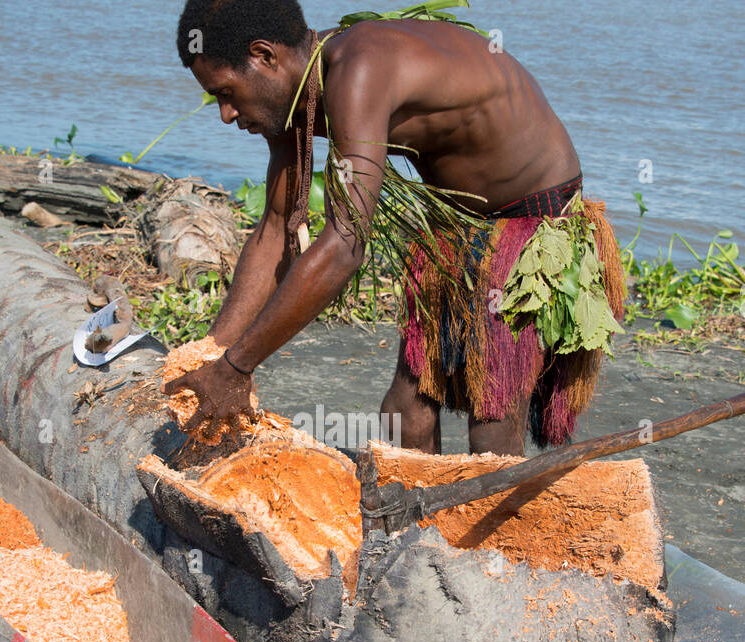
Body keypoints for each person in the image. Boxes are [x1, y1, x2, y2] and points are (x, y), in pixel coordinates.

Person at [166, 0, 625, 456]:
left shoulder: (359, 68)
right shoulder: (290, 98)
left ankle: (497, 524)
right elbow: (276, 229)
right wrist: (211, 355)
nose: (225, 114)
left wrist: (238, 366)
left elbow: (344, 246)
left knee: (493, 413)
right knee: (404, 411)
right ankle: (418, 525)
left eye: (226, 92)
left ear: (265, 56)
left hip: (530, 217)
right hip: (458, 222)